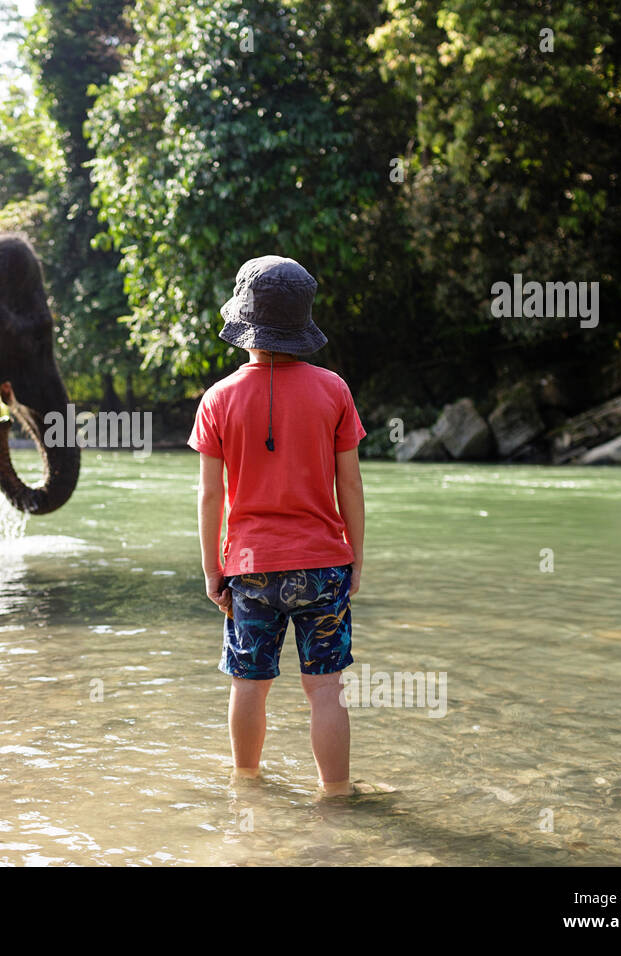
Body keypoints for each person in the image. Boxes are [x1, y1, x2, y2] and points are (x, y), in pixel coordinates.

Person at [188, 255, 366, 795]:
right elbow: (350, 486)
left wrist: (212, 570)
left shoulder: (217, 399)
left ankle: (247, 785)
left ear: (245, 327)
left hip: (249, 568)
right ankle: (335, 793)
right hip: (322, 564)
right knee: (326, 690)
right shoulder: (333, 390)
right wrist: (354, 558)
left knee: (249, 685)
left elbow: (211, 494)